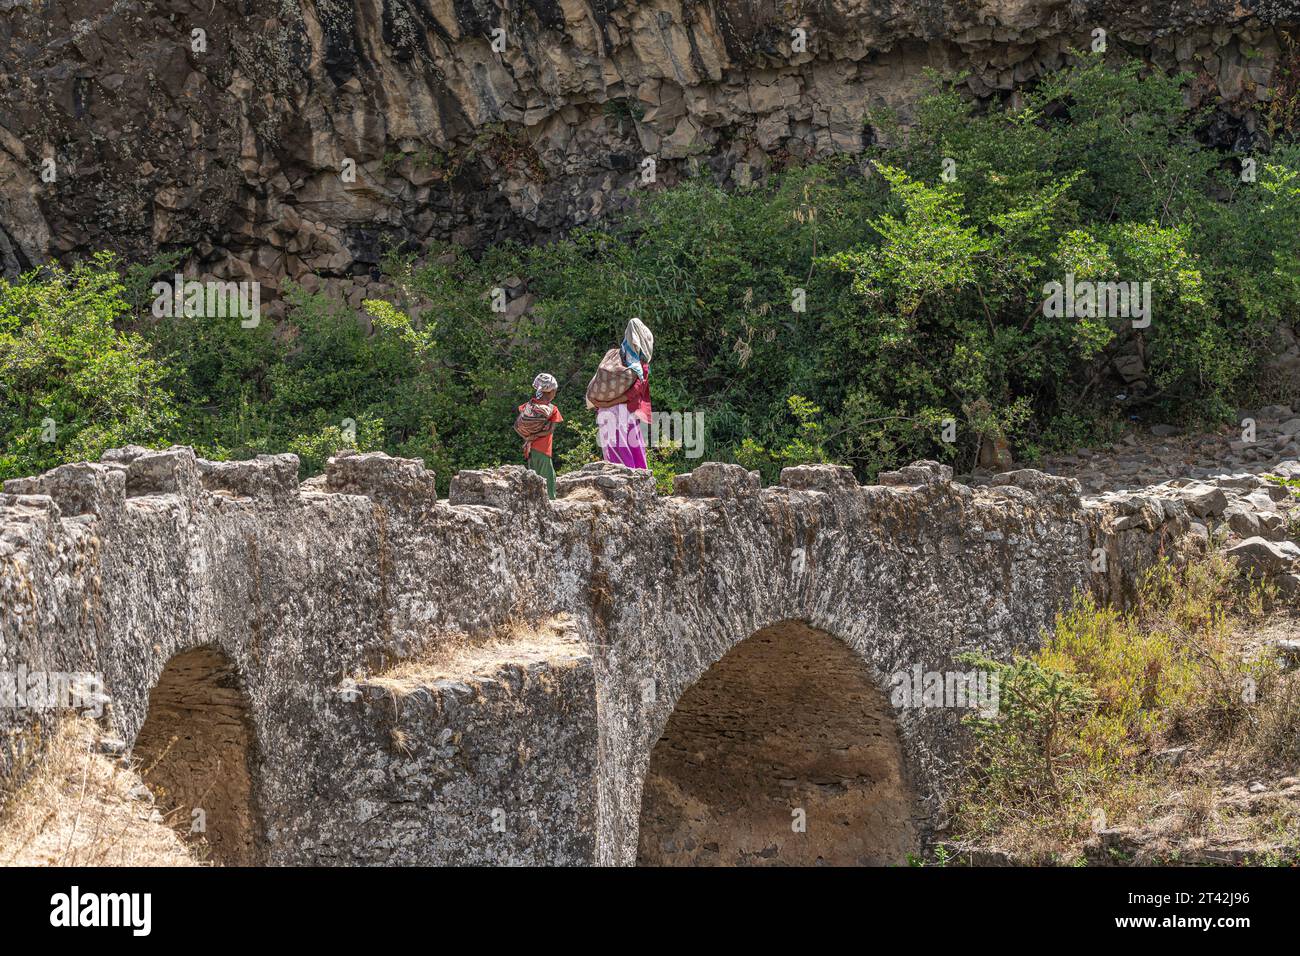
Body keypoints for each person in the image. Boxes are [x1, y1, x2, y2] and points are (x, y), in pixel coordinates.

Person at [598, 318, 653, 470]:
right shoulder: (640, 364)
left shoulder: (614, 357)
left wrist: (607, 403)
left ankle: (622, 489)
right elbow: (635, 391)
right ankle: (638, 489)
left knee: (617, 455)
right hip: (624, 413)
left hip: (606, 411)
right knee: (632, 453)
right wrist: (610, 403)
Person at [518, 372, 563, 498]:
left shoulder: (529, 405)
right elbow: (550, 431)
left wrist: (529, 438)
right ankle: (550, 502)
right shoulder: (552, 409)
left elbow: (522, 423)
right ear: (550, 392)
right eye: (555, 391)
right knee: (548, 476)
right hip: (544, 449)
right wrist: (536, 436)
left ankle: (534, 502)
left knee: (533, 477)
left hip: (530, 448)